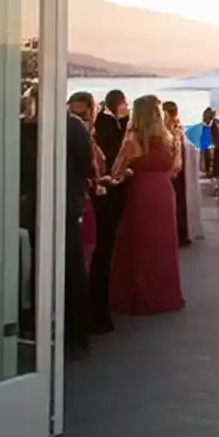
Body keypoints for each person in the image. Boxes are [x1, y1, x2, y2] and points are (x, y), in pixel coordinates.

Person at [109, 95, 185, 315]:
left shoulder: (133, 139)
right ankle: (164, 293)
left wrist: (131, 171)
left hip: (141, 191)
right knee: (163, 244)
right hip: (163, 191)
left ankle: (139, 294)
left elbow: (117, 171)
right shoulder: (168, 138)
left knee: (140, 242)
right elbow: (174, 169)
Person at [89, 89, 129, 334]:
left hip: (106, 194)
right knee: (103, 252)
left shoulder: (108, 126)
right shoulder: (108, 129)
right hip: (107, 196)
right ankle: (98, 311)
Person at [64, 92, 96, 359]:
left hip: (66, 207)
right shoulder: (75, 128)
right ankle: (76, 334)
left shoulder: (72, 128)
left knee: (73, 269)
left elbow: (86, 166)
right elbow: (88, 166)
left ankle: (75, 333)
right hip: (70, 205)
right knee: (74, 269)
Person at [162, 100, 191, 246]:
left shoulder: (172, 129)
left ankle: (177, 234)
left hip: (173, 169)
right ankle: (178, 233)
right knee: (177, 201)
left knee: (176, 201)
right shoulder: (175, 128)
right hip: (174, 169)